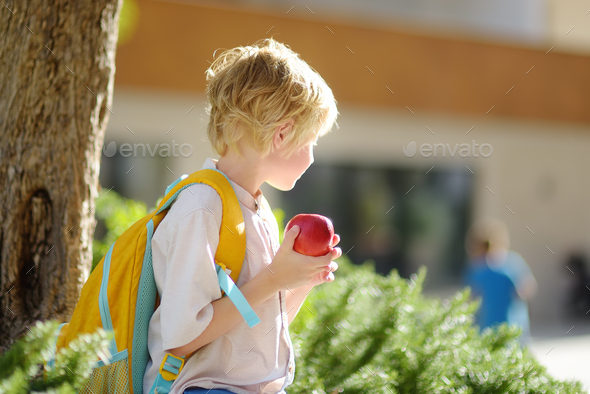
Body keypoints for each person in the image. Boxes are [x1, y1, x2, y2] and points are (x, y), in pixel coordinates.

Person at [142, 38, 341, 394]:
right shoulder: (202, 206)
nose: (311, 158)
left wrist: (301, 280)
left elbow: (253, 324)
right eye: (311, 141)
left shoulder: (259, 208)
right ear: (282, 134)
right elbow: (182, 338)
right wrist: (273, 278)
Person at [463, 219, 537, 345]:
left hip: (486, 330)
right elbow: (528, 288)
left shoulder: (476, 270)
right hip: (513, 328)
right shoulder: (512, 263)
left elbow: (469, 299)